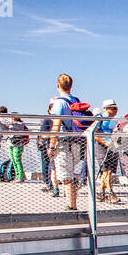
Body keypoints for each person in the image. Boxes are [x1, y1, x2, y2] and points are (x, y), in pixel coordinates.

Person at [47, 75, 89, 212]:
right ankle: (74, 192)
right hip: (77, 142)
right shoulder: (75, 100)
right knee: (70, 172)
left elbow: (56, 125)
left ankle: (72, 206)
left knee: (65, 176)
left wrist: (51, 146)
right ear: (71, 86)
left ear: (57, 86)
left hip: (64, 142)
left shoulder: (59, 103)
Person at [94, 100, 119, 202]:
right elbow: (95, 133)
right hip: (102, 146)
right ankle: (109, 191)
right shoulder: (100, 118)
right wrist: (105, 142)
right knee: (106, 170)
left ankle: (101, 192)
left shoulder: (114, 121)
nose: (114, 110)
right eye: (112, 108)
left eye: (115, 108)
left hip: (113, 146)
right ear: (106, 108)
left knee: (109, 171)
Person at [36, 105, 57, 195]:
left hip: (53, 144)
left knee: (52, 165)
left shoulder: (58, 119)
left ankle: (51, 183)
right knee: (46, 164)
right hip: (46, 145)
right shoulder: (47, 120)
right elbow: (43, 133)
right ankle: (48, 183)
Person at [7, 116, 28, 182]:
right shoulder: (10, 124)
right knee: (13, 160)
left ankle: (21, 176)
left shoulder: (20, 124)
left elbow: (16, 125)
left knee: (17, 160)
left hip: (18, 144)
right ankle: (17, 175)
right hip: (11, 143)